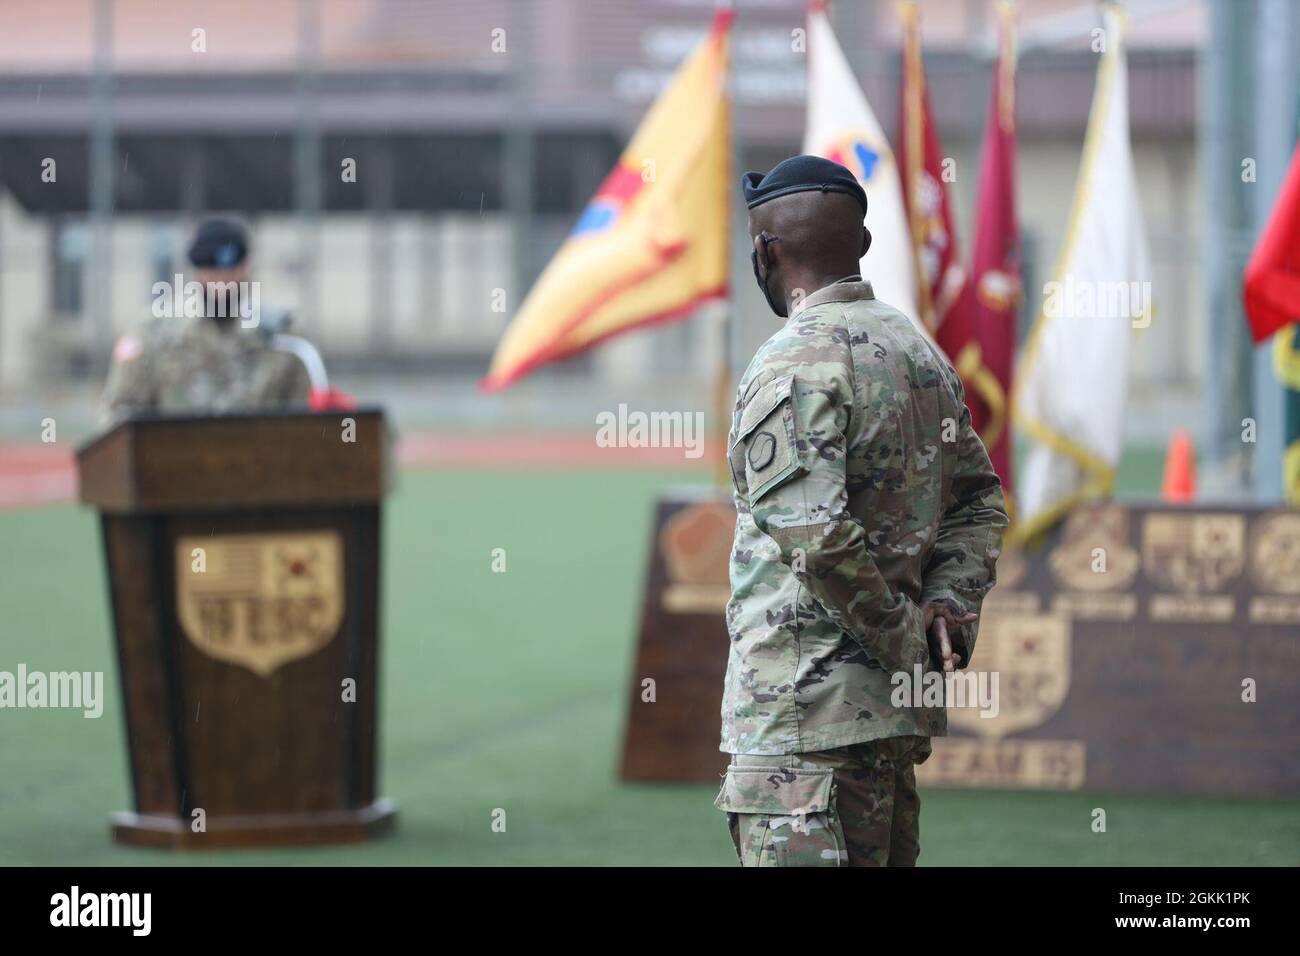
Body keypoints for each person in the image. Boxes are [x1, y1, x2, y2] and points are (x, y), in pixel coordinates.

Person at [714, 155, 1008, 867]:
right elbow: (979, 501)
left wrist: (906, 641)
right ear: (864, 246)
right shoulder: (919, 353)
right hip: (884, 724)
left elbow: (813, 538)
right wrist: (944, 608)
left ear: (765, 251)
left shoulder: (790, 362)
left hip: (801, 730)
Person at [99, 219, 312, 425]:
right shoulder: (153, 333)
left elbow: (303, 420)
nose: (222, 284)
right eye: (213, 273)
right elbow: (120, 418)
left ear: (246, 268)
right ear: (197, 272)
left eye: (230, 273)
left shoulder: (284, 337)